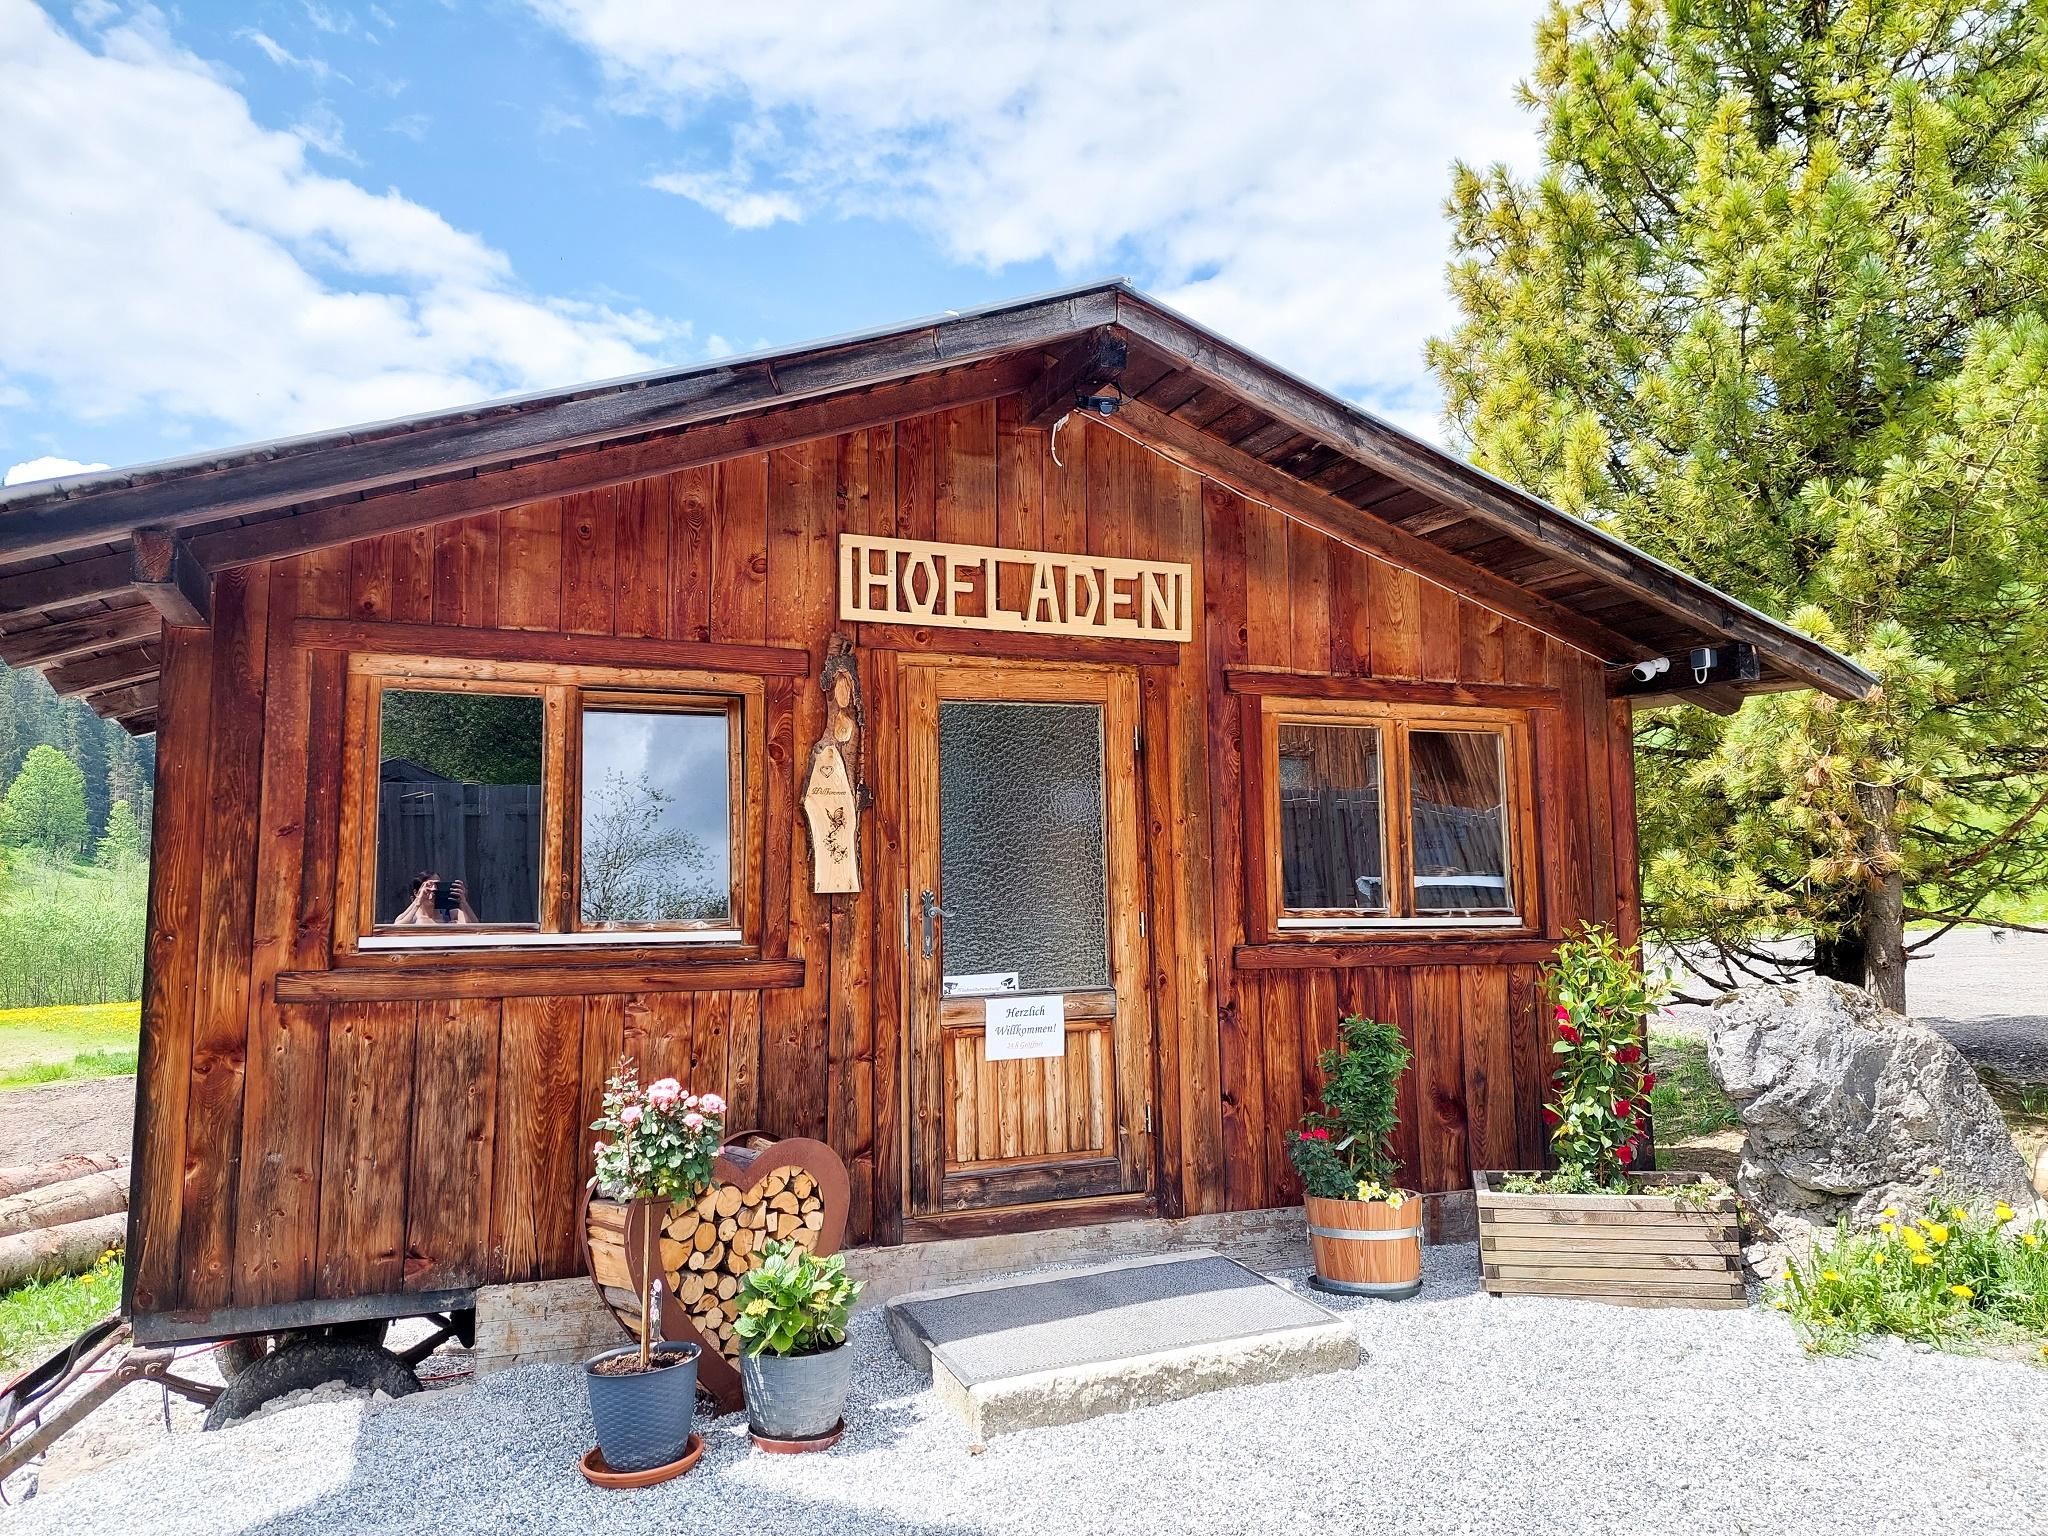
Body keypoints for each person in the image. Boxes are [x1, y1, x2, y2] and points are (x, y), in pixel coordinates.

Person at [392, 871, 478, 925]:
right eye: (429, 886)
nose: (434, 889)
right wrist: (418, 900)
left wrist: (463, 902)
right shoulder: (414, 917)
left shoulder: (451, 914)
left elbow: (474, 928)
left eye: (438, 885)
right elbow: (397, 926)